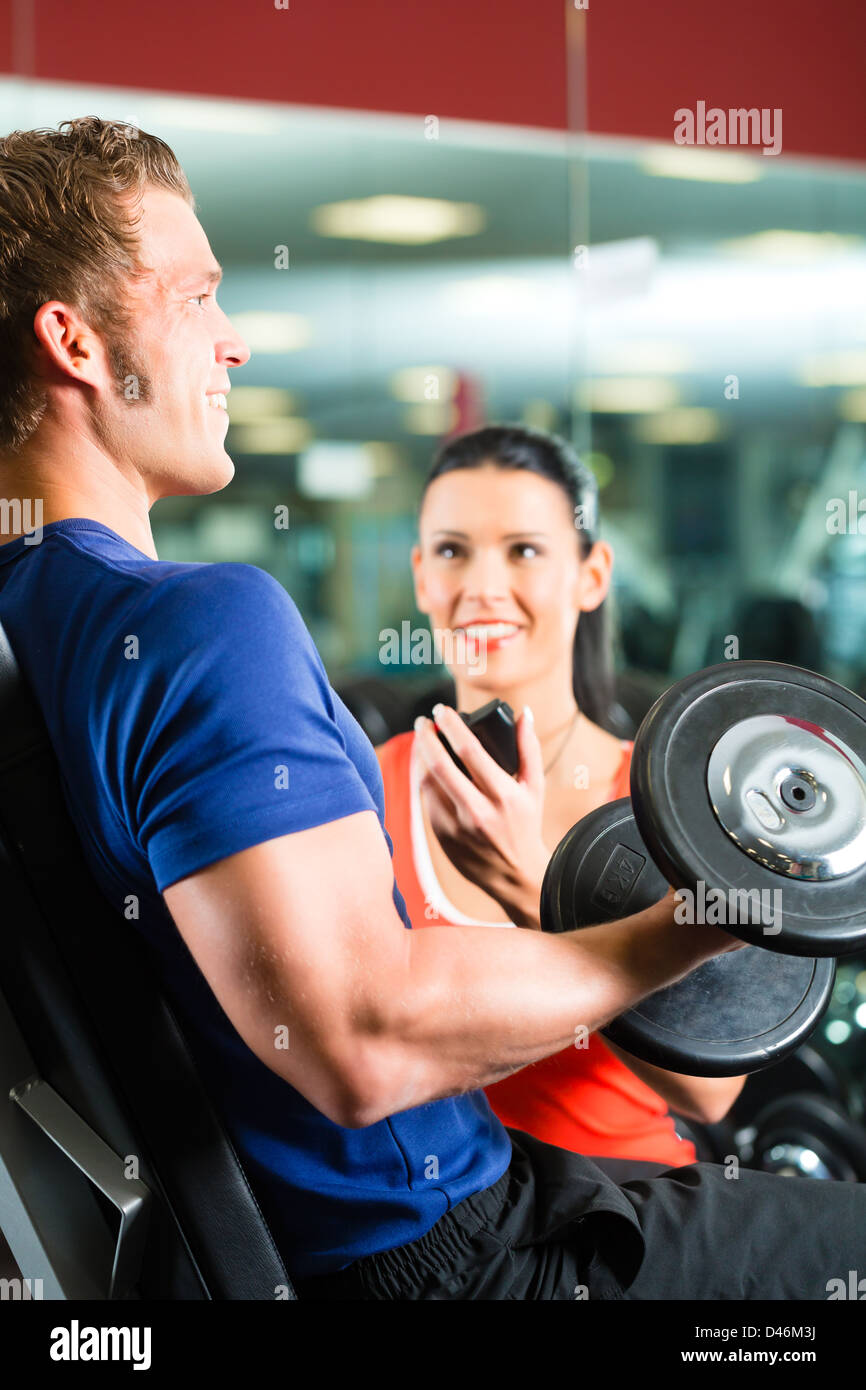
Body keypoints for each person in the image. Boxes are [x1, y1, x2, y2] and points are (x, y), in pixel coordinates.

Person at [0, 117, 863, 1303]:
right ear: (77, 342)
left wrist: (544, 894)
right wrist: (705, 914)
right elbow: (365, 1042)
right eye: (198, 296)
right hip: (458, 1258)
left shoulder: (34, 620)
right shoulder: (207, 623)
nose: (234, 340)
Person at [374, 425, 746, 1175]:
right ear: (420, 576)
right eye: (452, 551)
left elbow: (711, 1094)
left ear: (591, 573)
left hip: (631, 1216)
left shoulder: (669, 801)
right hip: (437, 1224)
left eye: (524, 550)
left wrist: (535, 889)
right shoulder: (360, 786)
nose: (481, 585)